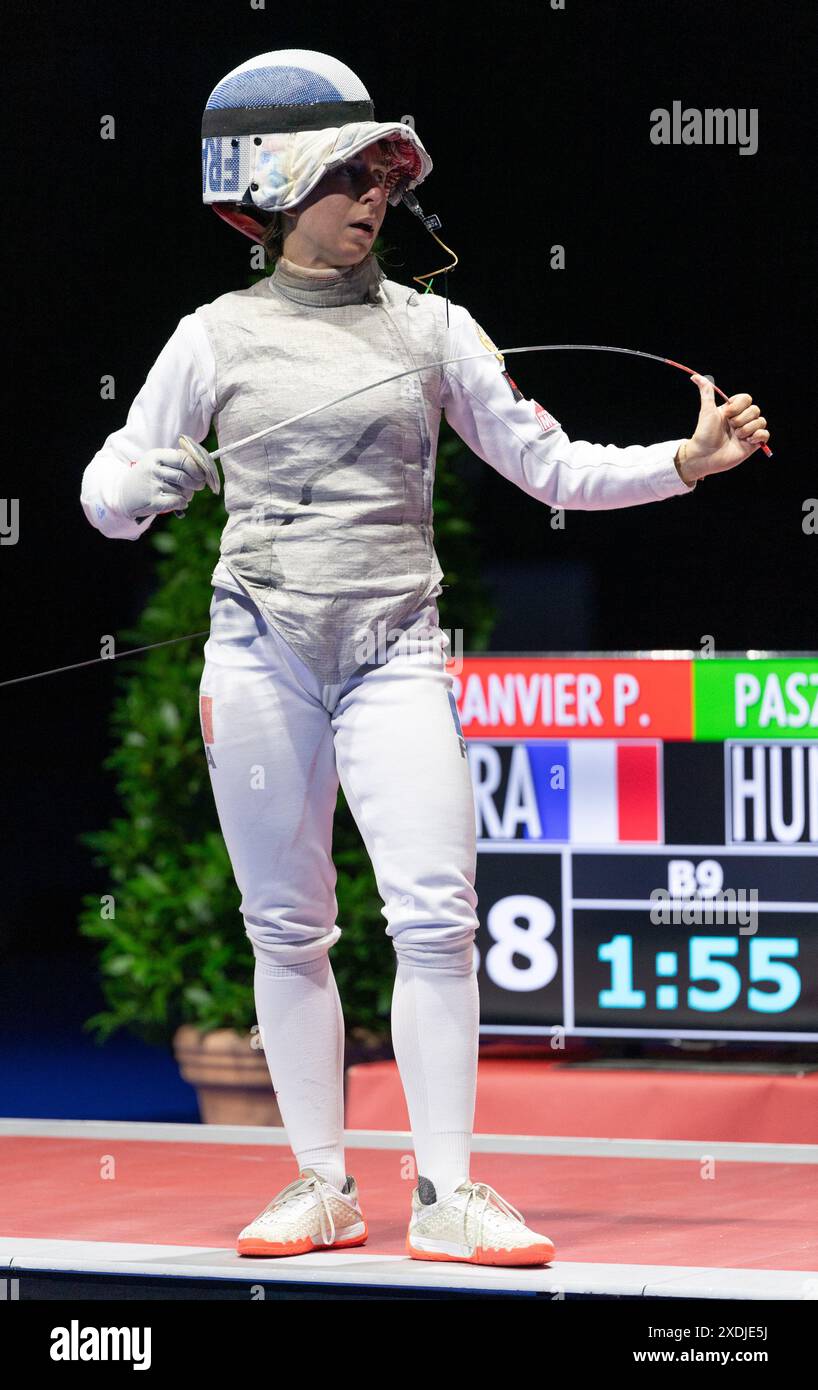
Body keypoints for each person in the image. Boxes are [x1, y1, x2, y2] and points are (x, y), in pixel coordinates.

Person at [79, 49, 770, 1268]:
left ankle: (447, 1192)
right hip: (258, 653)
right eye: (346, 176)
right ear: (277, 190)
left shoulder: (434, 325)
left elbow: (548, 465)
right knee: (284, 925)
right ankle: (319, 1184)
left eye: (382, 177)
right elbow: (106, 492)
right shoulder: (213, 335)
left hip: (395, 649)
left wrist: (680, 461)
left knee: (437, 915)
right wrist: (151, 479)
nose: (372, 198)